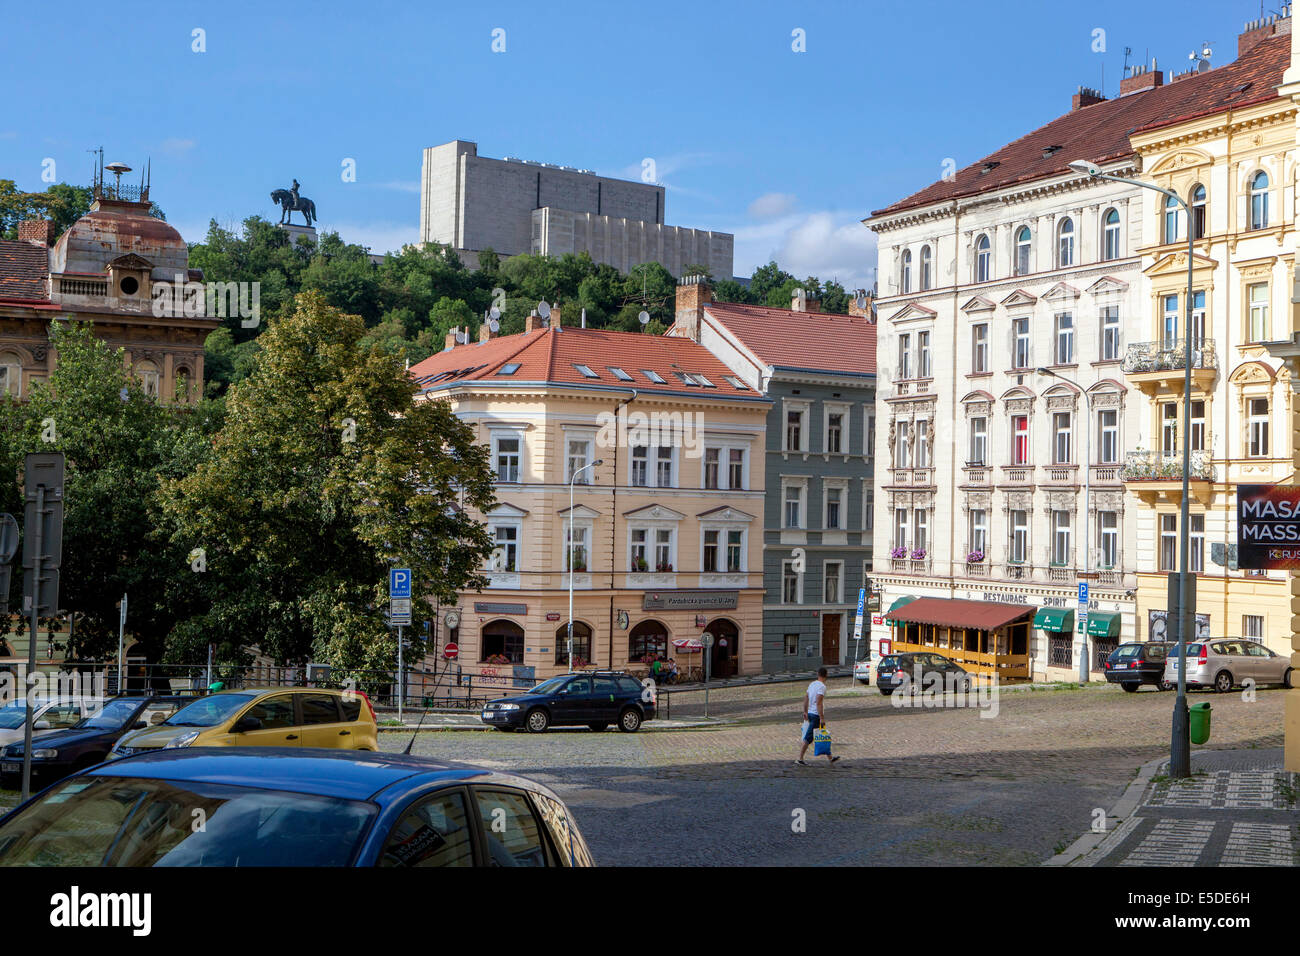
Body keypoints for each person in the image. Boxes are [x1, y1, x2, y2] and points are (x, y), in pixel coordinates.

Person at [797, 667, 840, 766]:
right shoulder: (822, 687)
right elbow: (819, 702)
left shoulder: (812, 684)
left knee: (821, 735)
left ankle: (830, 758)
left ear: (818, 674)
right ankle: (800, 758)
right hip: (816, 715)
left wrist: (805, 711)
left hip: (810, 714)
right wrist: (822, 717)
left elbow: (806, 697)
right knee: (809, 737)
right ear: (826, 675)